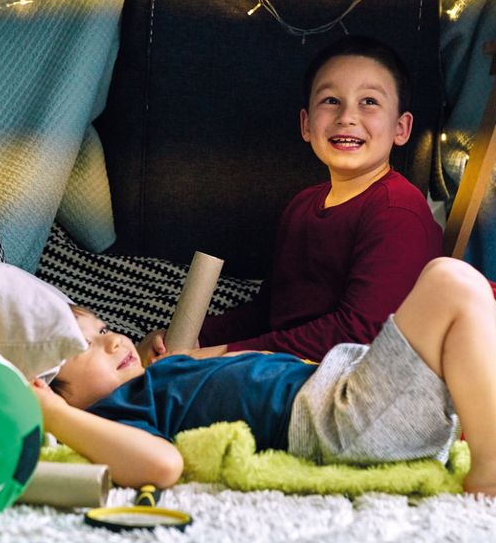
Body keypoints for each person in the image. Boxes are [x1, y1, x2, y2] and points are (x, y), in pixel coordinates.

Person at [32, 257, 496, 506]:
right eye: (81, 346)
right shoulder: (109, 417)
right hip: (338, 422)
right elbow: (160, 465)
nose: (111, 340)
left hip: (351, 392)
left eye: (103, 327)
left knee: (472, 295)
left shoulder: (154, 377)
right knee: (449, 280)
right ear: (57, 389)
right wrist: (57, 418)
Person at [139, 36, 443, 364]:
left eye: (369, 101)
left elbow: (360, 334)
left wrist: (217, 356)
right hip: (282, 364)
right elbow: (270, 312)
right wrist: (195, 339)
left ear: (401, 128)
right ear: (306, 124)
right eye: (330, 100)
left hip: (348, 373)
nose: (346, 117)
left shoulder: (397, 210)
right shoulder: (302, 206)